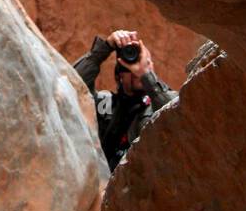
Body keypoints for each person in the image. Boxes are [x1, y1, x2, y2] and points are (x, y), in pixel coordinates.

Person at [74, 28, 177, 173]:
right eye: (129, 69)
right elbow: (73, 85)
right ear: (119, 76)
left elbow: (179, 117)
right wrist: (105, 48)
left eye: (142, 64)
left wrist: (147, 75)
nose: (135, 72)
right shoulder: (106, 104)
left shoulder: (157, 105)